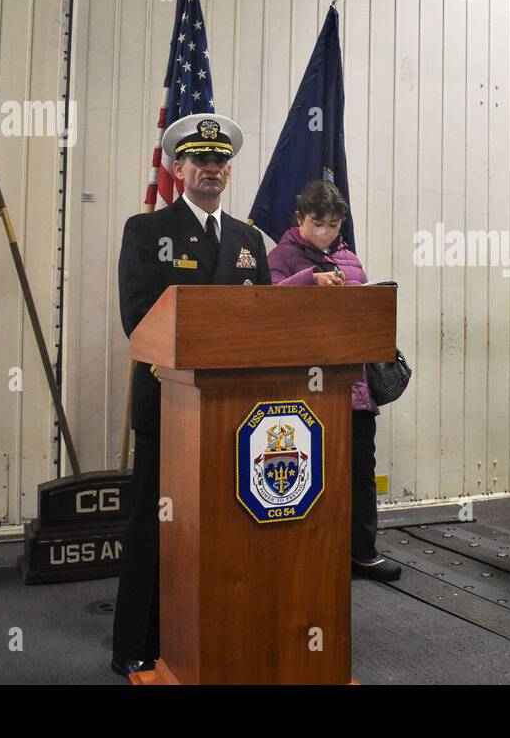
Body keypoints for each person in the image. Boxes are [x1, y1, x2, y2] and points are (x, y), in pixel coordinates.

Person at [111, 114, 270, 676]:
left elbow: (264, 323)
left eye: (220, 160)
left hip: (233, 411)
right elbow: (138, 319)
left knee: (224, 522)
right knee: (156, 522)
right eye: (200, 159)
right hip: (169, 404)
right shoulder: (146, 230)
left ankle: (210, 630)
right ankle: (138, 640)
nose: (212, 168)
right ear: (177, 169)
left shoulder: (250, 240)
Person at [267, 179, 401, 582]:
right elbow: (266, 306)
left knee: (360, 471)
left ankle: (363, 552)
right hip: (301, 387)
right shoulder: (282, 256)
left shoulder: (350, 259)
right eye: (318, 223)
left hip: (353, 385)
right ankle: (310, 556)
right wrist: (310, 279)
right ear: (300, 219)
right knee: (307, 475)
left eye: (334, 224)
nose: (326, 232)